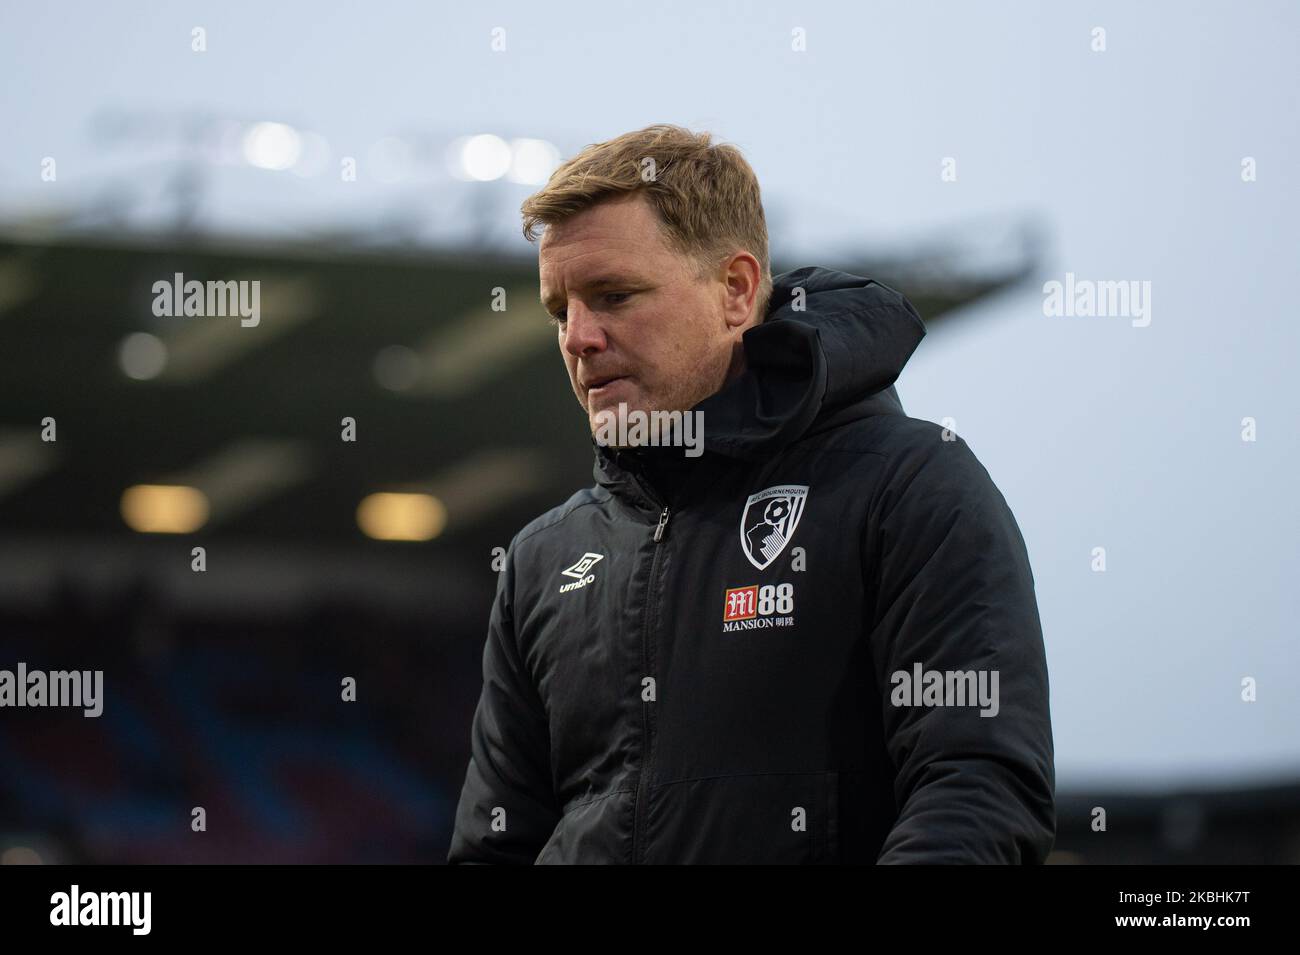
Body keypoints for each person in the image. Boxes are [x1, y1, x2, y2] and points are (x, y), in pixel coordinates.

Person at [447, 124, 1055, 864]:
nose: (577, 337)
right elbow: (493, 845)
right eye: (560, 310)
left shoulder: (911, 488)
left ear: (735, 290)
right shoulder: (545, 559)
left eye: (613, 295)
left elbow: (977, 789)